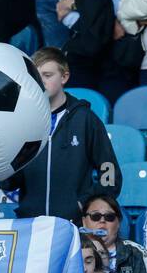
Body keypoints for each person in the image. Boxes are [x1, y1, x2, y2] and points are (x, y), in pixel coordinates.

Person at [10, 47, 120, 220]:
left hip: (73, 225)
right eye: (36, 76)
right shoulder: (23, 121)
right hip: (31, 224)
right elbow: (10, 182)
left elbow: (110, 175)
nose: (40, 81)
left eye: (47, 75)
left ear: (64, 77)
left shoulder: (85, 119)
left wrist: (82, 203)